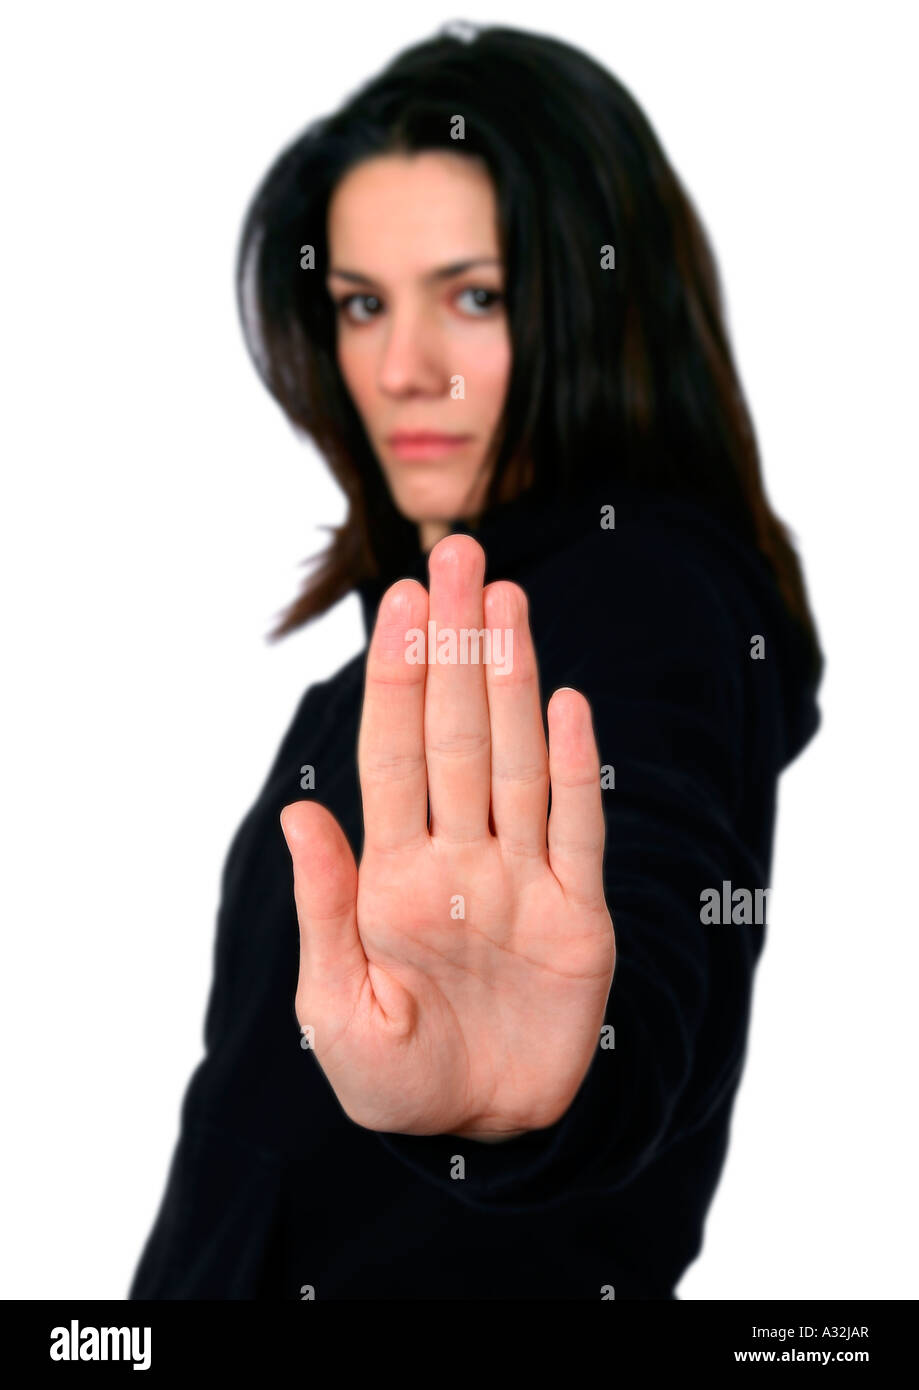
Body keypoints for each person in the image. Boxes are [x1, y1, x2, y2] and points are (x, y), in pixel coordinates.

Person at [128, 22, 823, 1301]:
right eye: (359, 304)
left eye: (475, 295)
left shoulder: (634, 591)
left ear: (606, 300)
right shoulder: (466, 617)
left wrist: (537, 1093)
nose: (402, 369)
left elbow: (654, 906)